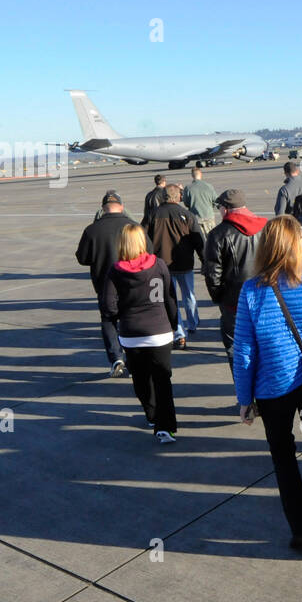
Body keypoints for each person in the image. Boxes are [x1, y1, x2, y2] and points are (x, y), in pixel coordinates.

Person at [233, 216, 302, 560]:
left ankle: (301, 534)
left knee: (284, 459)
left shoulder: (252, 290)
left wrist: (244, 399)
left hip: (274, 391)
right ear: (298, 246)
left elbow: (243, 350)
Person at [100, 224, 179, 443]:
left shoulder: (116, 270)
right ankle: (166, 426)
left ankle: (152, 414)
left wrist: (124, 312)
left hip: (132, 333)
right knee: (163, 379)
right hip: (160, 331)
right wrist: (173, 324)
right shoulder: (159, 264)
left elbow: (108, 307)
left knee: (141, 379)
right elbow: (170, 298)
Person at [75, 192, 136, 376]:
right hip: (132, 284)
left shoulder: (92, 230)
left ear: (102, 209)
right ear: (121, 206)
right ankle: (133, 359)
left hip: (104, 284)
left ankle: (116, 357)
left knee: (108, 320)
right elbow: (148, 251)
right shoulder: (132, 227)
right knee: (131, 320)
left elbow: (82, 258)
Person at [202, 189, 266, 355]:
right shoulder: (266, 228)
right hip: (265, 298)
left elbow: (212, 273)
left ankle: (242, 381)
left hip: (234, 302)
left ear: (225, 209)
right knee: (265, 347)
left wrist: (219, 297)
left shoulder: (217, 234)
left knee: (236, 349)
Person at [144, 184, 205, 348]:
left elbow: (143, 239)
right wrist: (205, 261)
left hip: (162, 265)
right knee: (189, 295)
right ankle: (192, 323)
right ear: (178, 197)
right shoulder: (187, 215)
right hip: (185, 263)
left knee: (171, 300)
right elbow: (199, 241)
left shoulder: (153, 215)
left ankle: (179, 332)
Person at [182, 167, 218, 235]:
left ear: (192, 176)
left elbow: (186, 203)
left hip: (196, 219)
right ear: (201, 174)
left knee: (199, 241)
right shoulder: (209, 186)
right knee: (211, 239)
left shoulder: (188, 188)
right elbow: (216, 201)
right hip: (209, 217)